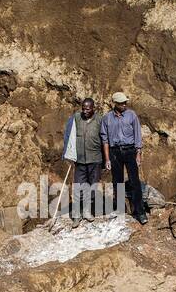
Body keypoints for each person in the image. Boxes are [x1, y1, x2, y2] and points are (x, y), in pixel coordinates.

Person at [100, 91, 146, 224]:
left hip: (130, 151)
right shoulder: (107, 118)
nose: (124, 104)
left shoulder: (131, 115)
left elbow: (137, 136)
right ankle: (121, 210)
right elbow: (105, 140)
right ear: (115, 103)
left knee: (134, 181)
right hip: (115, 153)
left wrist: (138, 154)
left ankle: (140, 212)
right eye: (121, 103)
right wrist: (107, 159)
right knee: (117, 182)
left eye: (125, 102)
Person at [62, 96, 108, 217]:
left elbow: (105, 139)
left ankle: (87, 211)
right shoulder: (76, 118)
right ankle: (77, 214)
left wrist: (106, 159)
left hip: (95, 159)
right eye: (83, 109)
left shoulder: (100, 120)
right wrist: (69, 153)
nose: (85, 111)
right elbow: (69, 134)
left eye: (88, 109)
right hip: (80, 161)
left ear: (93, 108)